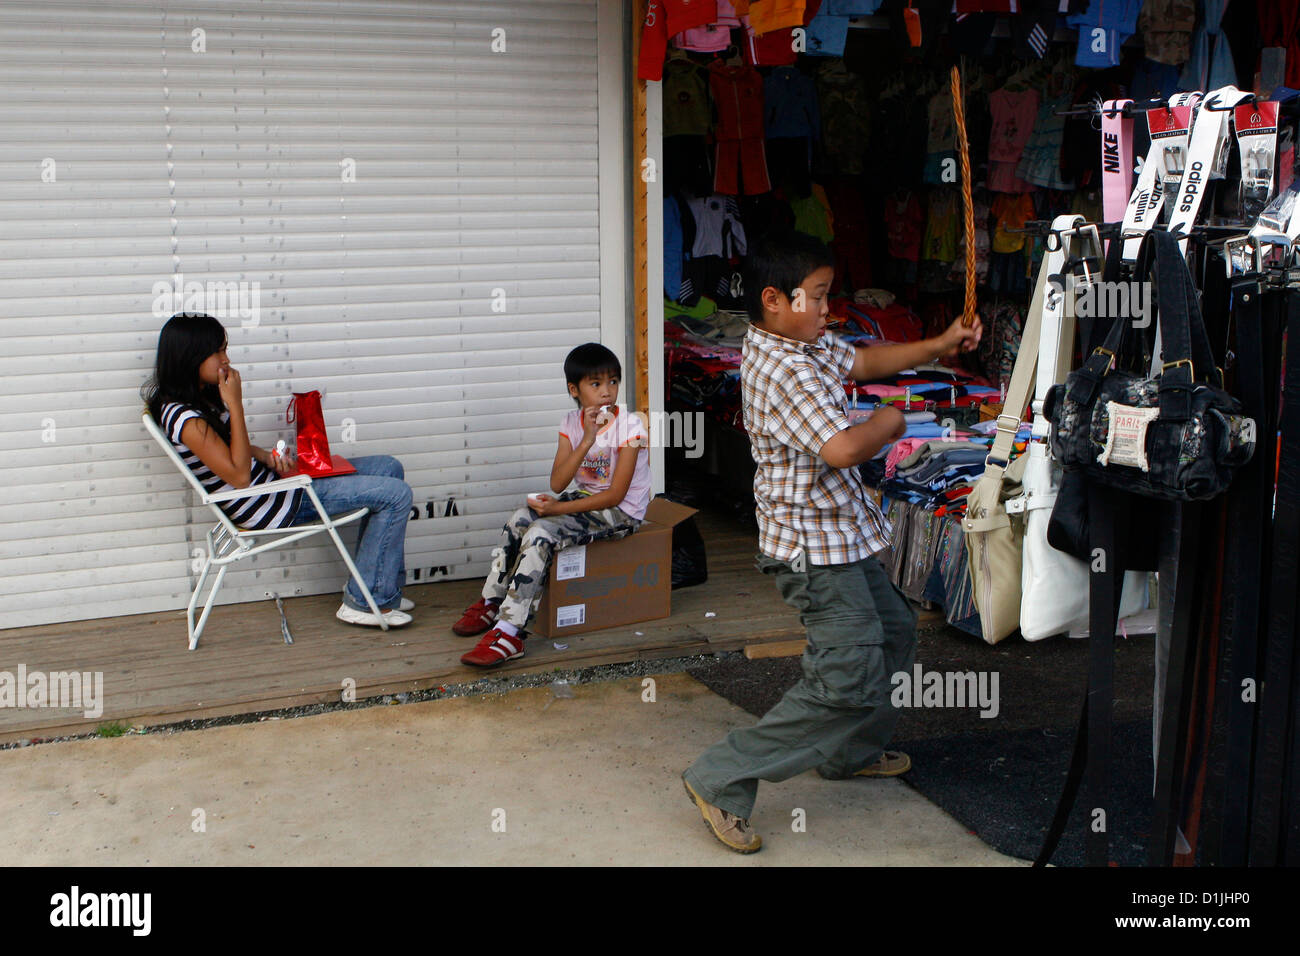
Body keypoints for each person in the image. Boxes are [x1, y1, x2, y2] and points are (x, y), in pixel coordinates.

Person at [681, 231, 983, 853]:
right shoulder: (781, 366)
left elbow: (864, 363)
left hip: (841, 534)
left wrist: (940, 345)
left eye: (827, 295)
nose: (827, 308)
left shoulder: (807, 342)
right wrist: (890, 421)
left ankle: (849, 753)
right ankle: (719, 778)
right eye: (817, 297)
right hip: (811, 550)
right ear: (774, 299)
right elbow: (845, 447)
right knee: (845, 679)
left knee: (895, 633)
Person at [143, 312, 414, 628]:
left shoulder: (196, 401)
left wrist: (267, 457)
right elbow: (240, 477)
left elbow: (232, 450)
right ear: (191, 357)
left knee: (389, 467)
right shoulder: (185, 419)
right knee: (396, 496)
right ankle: (365, 602)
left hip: (276, 485)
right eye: (217, 351)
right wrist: (236, 405)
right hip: (268, 503)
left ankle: (380, 589)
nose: (225, 359)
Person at [453, 343, 651, 667]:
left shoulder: (632, 427)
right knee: (520, 517)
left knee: (542, 532)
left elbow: (616, 497)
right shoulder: (571, 422)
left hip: (622, 512)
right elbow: (558, 484)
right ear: (575, 389)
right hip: (587, 502)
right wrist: (587, 439)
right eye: (596, 384)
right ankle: (491, 600)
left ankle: (510, 631)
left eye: (613, 382)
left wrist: (557, 510)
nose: (607, 392)